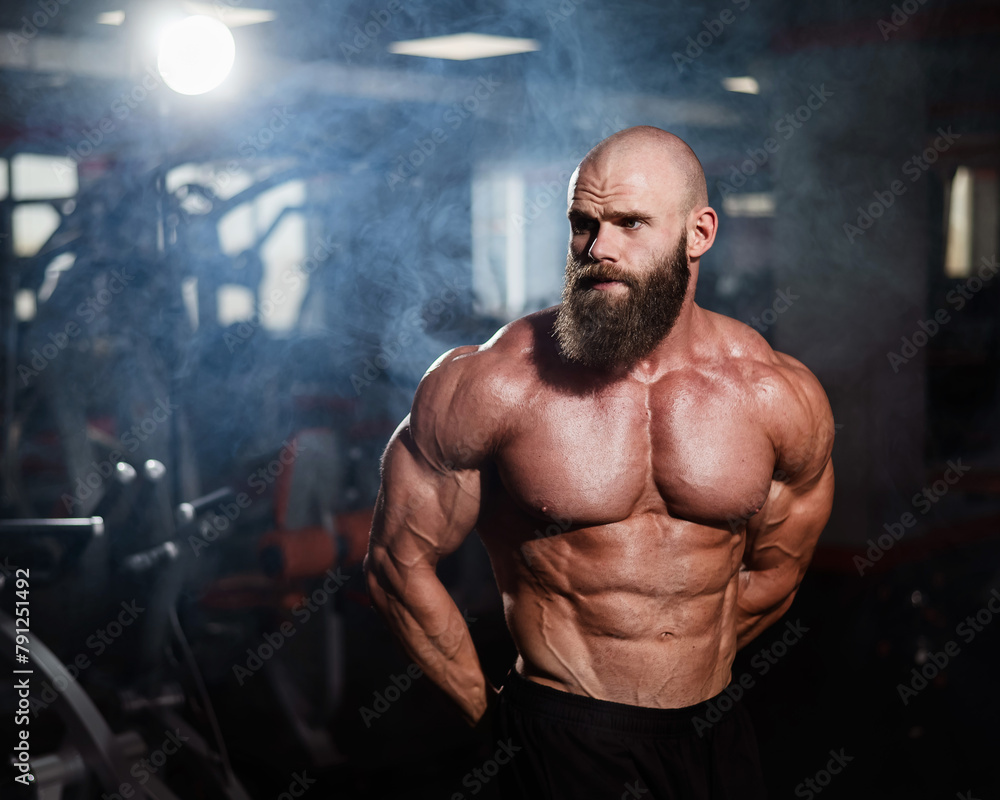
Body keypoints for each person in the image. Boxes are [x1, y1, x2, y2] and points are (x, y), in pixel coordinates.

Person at [364, 125, 835, 799]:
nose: (598, 248)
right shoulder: (496, 383)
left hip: (715, 732)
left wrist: (677, 662)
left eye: (630, 223)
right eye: (583, 224)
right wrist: (497, 722)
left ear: (698, 234)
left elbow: (778, 573)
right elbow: (395, 565)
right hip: (559, 735)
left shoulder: (776, 395)